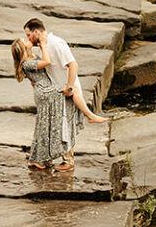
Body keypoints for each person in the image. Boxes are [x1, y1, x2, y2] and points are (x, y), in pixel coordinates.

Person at [23, 18, 106, 170]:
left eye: (29, 35)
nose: (28, 39)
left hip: (67, 89)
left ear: (36, 32)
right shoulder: (44, 46)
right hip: (57, 90)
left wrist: (69, 87)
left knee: (66, 124)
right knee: (61, 124)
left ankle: (68, 161)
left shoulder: (56, 43)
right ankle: (56, 158)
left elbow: (73, 64)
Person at [11, 35, 71, 171]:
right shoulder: (27, 63)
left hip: (44, 91)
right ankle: (41, 158)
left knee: (43, 125)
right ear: (23, 48)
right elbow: (47, 61)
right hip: (46, 92)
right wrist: (43, 44)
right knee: (46, 126)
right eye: (25, 41)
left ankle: (37, 158)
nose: (28, 40)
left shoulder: (30, 58)